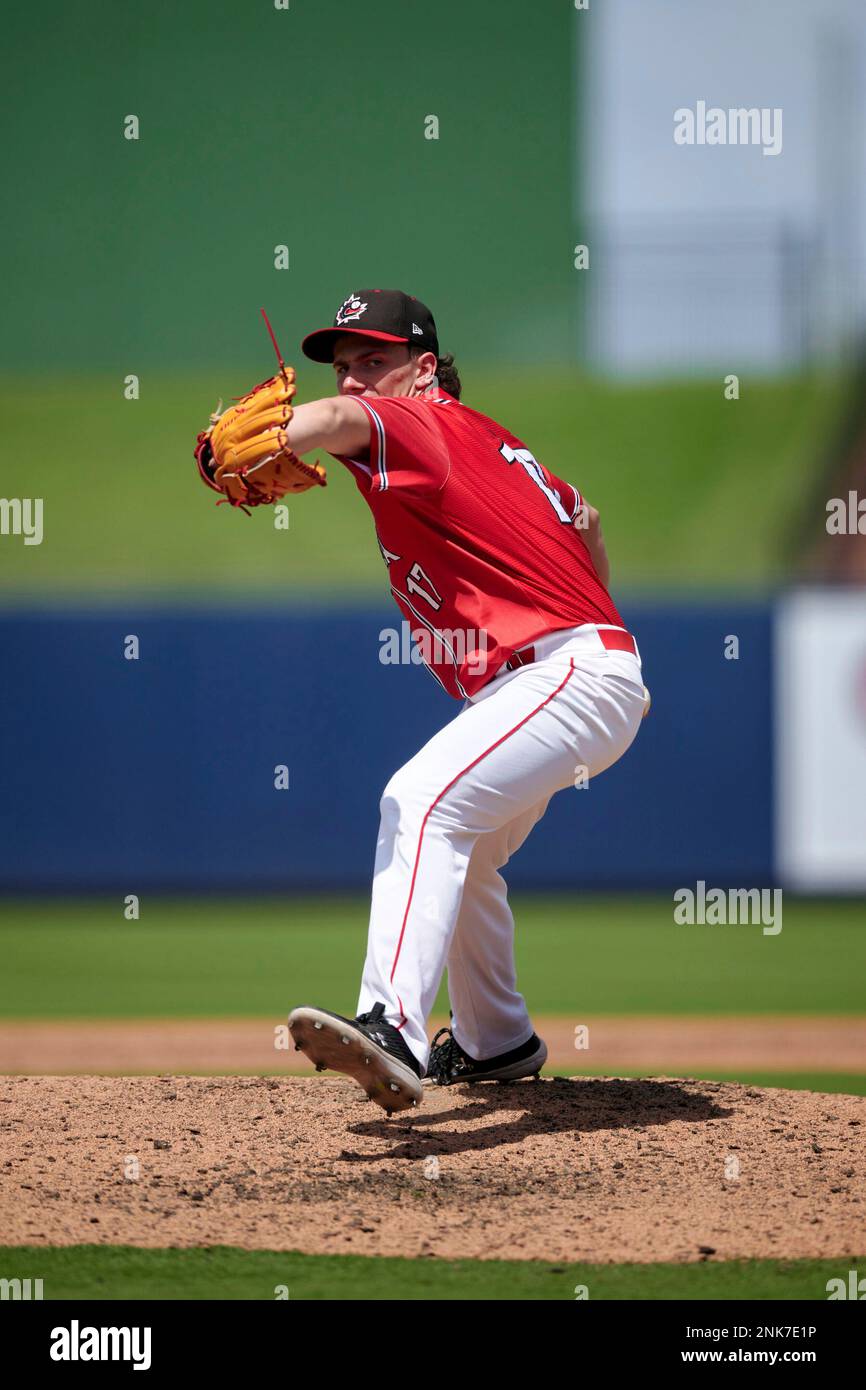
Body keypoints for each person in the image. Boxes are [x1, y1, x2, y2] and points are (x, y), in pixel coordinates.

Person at [288, 288, 647, 1115]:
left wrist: (271, 434)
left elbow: (340, 427)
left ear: (423, 367)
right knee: (469, 845)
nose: (353, 382)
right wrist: (613, 653)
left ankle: (393, 1026)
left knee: (418, 802)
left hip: (561, 669)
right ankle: (496, 1041)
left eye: (371, 362)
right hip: (572, 670)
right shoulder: (494, 441)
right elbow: (585, 521)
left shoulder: (421, 419)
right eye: (343, 368)